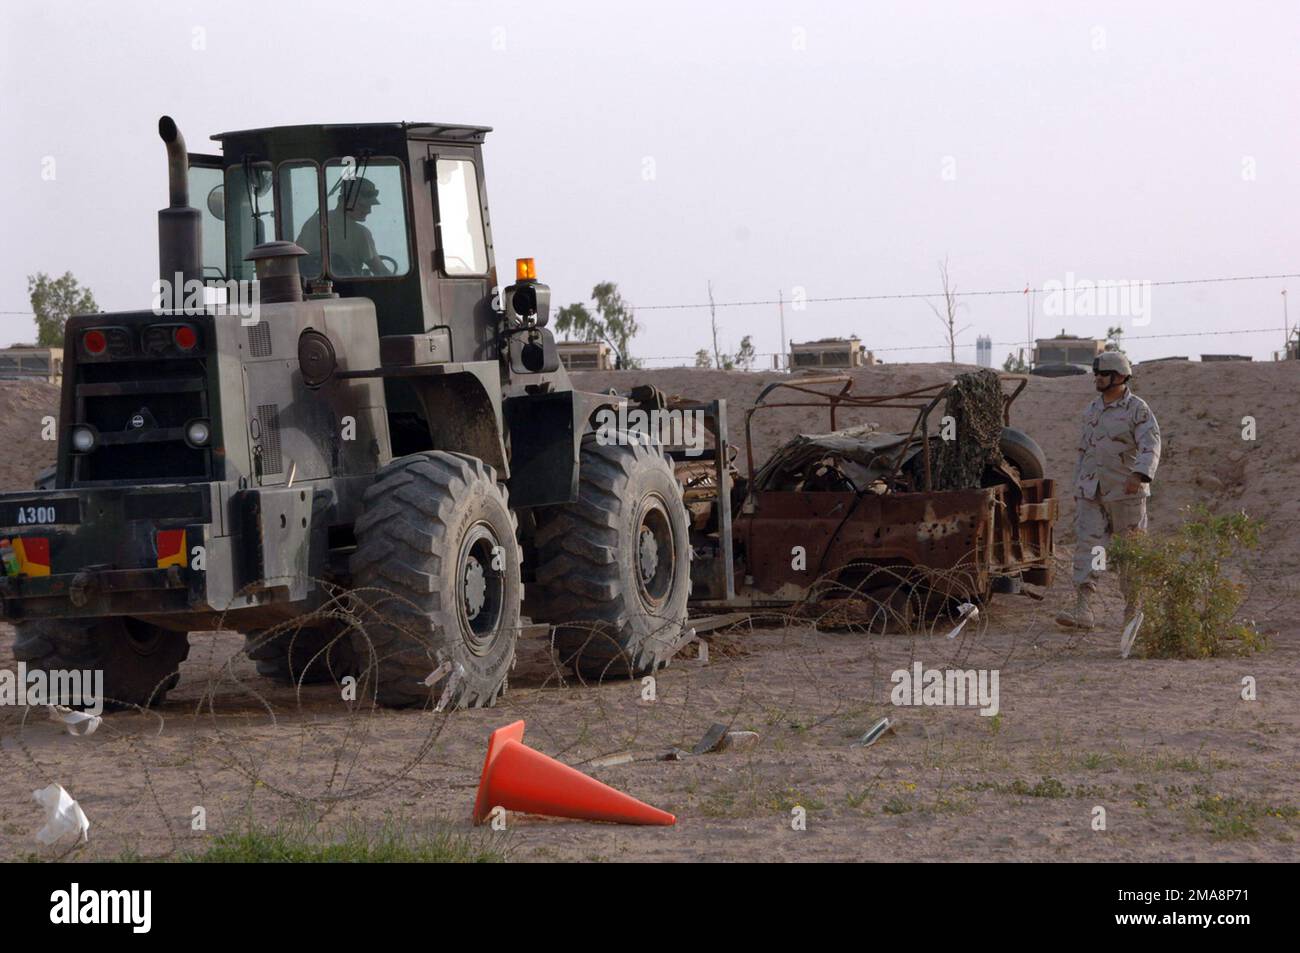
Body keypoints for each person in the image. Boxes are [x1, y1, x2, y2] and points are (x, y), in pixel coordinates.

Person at [1056, 351, 1161, 631]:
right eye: (1096, 374)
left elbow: (1151, 444)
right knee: (1088, 547)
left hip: (1126, 491)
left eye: (1103, 374)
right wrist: (1080, 483)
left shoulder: (1137, 409)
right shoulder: (1092, 409)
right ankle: (1083, 607)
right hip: (1093, 491)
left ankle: (1133, 608)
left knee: (1129, 551)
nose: (1097, 378)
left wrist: (1139, 475)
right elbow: (1084, 450)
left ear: (1120, 376)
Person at [295, 176, 391, 277]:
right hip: (350, 290)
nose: (368, 211)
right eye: (362, 205)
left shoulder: (313, 222)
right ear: (342, 200)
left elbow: (296, 258)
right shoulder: (361, 233)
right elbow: (380, 271)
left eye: (370, 206)